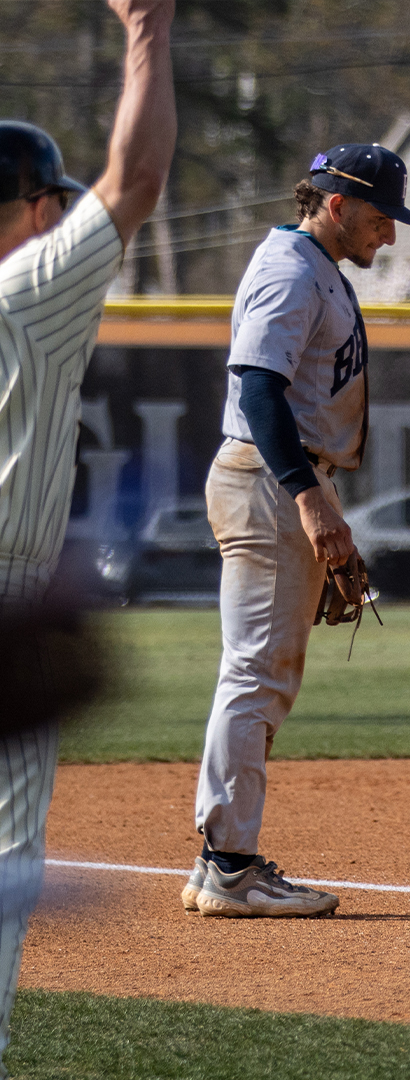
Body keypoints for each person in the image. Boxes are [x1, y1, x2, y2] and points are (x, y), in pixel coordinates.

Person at [180, 144, 410, 918]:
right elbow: (259, 392)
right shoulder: (291, 270)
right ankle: (230, 866)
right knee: (255, 673)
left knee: (259, 673)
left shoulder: (312, 267)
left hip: (280, 479)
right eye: (381, 218)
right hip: (270, 479)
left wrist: (314, 493)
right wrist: (309, 500)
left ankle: (221, 863)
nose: (388, 235)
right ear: (337, 204)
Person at [0, 0, 175, 1066]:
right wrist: (148, 25)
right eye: (49, 199)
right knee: (7, 859)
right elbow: (137, 182)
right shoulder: (23, 293)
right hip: (7, 621)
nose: (62, 213)